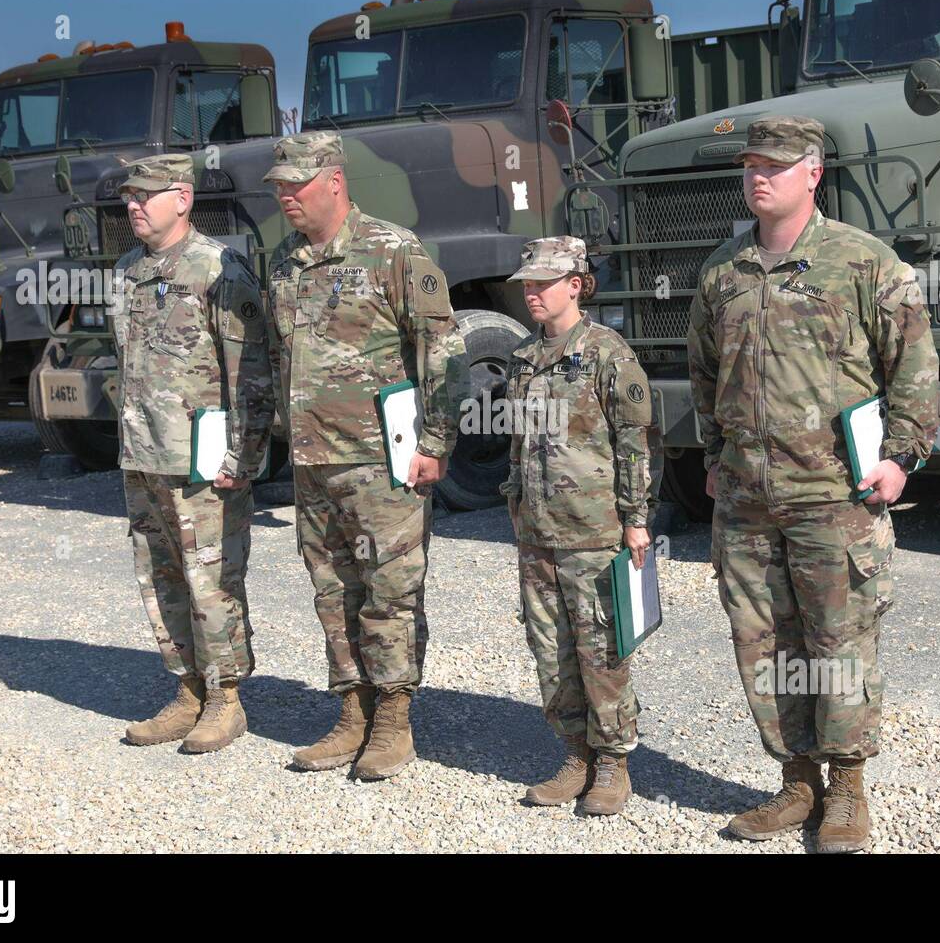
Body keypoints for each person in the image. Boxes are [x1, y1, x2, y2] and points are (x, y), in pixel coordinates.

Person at [687, 116, 939, 851]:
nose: (758, 175)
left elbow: (915, 370)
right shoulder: (721, 272)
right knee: (764, 646)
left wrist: (901, 457)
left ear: (812, 173)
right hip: (745, 501)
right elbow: (705, 377)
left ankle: (849, 790)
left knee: (839, 643)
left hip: (835, 499)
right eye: (750, 165)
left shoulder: (865, 263)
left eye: (775, 164)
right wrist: (711, 453)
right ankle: (799, 783)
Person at [264, 133, 469, 780]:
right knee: (332, 593)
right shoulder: (282, 263)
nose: (284, 196)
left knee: (389, 592)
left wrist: (436, 442)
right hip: (312, 462)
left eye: (295, 184)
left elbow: (443, 350)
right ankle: (352, 712)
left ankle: (394, 721)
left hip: (383, 459)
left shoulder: (393, 251)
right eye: (278, 185)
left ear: (333, 180)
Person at [115, 154, 273, 753]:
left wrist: (244, 454)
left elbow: (251, 372)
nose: (134, 205)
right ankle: (187, 689)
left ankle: (226, 698)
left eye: (147, 195)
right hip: (143, 454)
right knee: (160, 578)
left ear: (182, 198)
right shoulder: (128, 269)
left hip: (202, 462)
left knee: (212, 580)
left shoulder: (219, 269)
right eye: (130, 195)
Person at [501, 236, 661, 816]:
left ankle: (613, 762)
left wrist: (637, 520)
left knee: (601, 651)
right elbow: (519, 447)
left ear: (576, 284)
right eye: (527, 283)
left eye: (544, 282)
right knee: (551, 649)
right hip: (537, 533)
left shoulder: (607, 354)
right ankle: (575, 754)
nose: (532, 293)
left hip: (594, 531)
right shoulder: (522, 358)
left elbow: (634, 442)